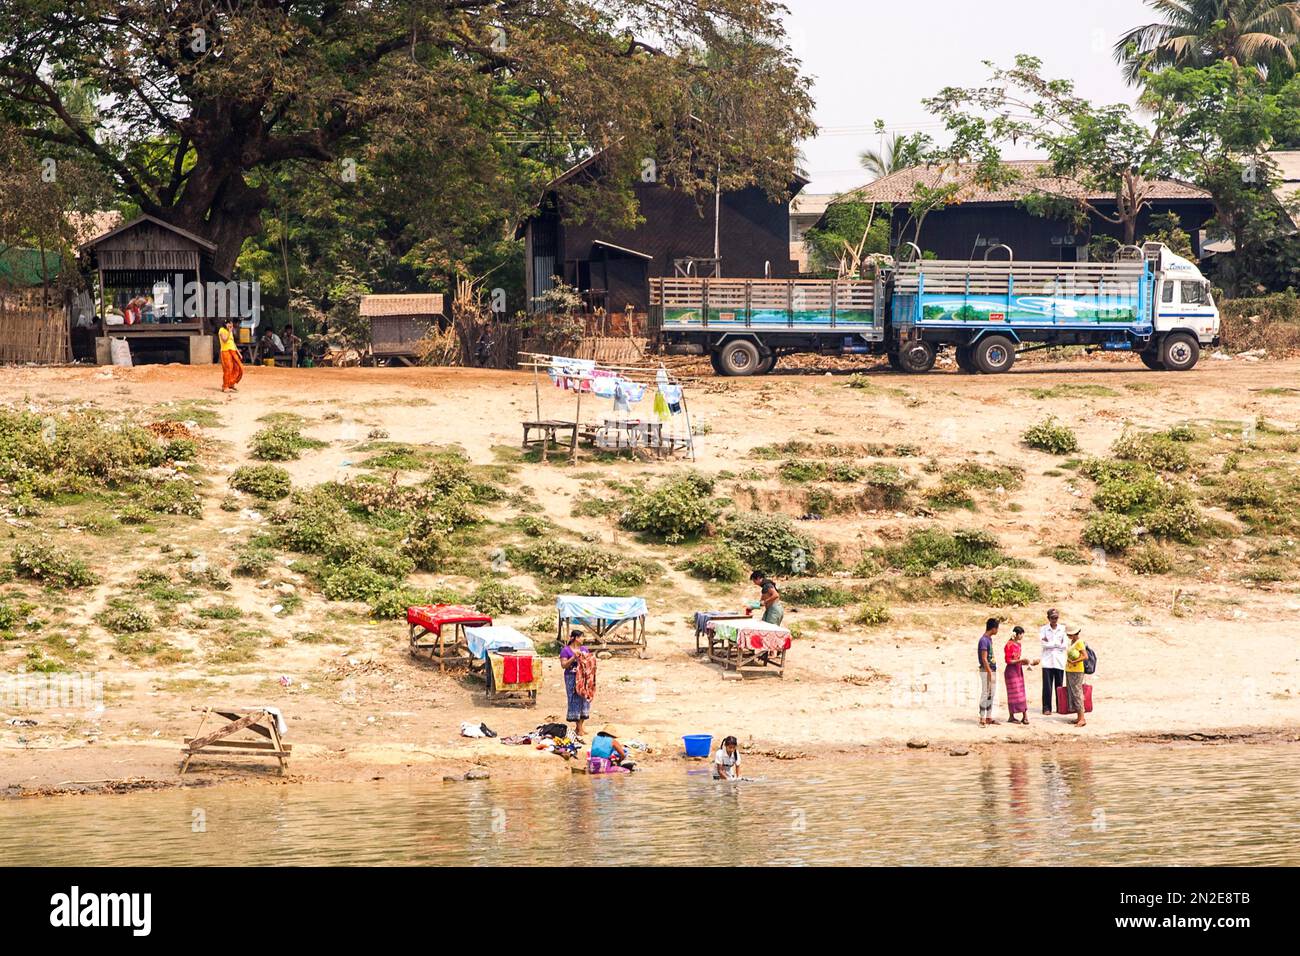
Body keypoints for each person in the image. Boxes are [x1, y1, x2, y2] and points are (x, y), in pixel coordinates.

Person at [560, 630, 593, 739]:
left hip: (583, 678)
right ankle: (579, 727)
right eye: (582, 637)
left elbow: (589, 662)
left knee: (584, 700)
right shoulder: (566, 650)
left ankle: (580, 727)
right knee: (574, 700)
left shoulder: (584, 649)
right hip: (571, 677)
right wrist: (574, 657)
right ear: (575, 638)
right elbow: (564, 665)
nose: (583, 639)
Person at [1004, 625, 1038, 725]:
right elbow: (1008, 661)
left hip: (1017, 671)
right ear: (1017, 634)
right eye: (1021, 634)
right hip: (1011, 672)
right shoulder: (1009, 645)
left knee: (1021, 693)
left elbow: (1018, 661)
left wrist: (1031, 663)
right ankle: (1012, 716)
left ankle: (1024, 716)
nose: (1022, 636)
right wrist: (1022, 660)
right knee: (1014, 694)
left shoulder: (1018, 645)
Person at [1039, 608, 1068, 715]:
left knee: (1059, 686)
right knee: (1047, 686)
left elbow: (1064, 645)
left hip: (1059, 661)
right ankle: (1046, 708)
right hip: (1047, 661)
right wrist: (1056, 643)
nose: (1054, 620)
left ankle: (1060, 707)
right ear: (1048, 618)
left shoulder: (1062, 629)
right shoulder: (1043, 629)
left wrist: (1050, 643)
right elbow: (1043, 644)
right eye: (1052, 618)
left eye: (1056, 618)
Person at [1065, 625, 1088, 728]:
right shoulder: (1073, 642)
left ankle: (1082, 718)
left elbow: (1085, 656)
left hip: (1077, 670)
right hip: (1071, 669)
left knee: (1077, 692)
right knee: (1073, 692)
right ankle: (1079, 717)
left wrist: (1074, 661)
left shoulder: (1079, 643)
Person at [978, 617, 999, 726]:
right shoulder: (984, 640)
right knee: (986, 693)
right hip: (986, 670)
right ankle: (982, 717)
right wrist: (990, 672)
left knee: (992, 693)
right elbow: (984, 658)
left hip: (991, 669)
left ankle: (988, 716)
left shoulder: (989, 639)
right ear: (993, 628)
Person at [218, 319, 244, 393]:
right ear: (225, 324)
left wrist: (239, 353)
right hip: (225, 351)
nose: (231, 326)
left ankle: (231, 384)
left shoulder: (230, 331)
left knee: (238, 367)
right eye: (229, 324)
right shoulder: (221, 330)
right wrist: (229, 332)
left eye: (231, 325)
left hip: (233, 351)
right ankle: (225, 386)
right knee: (228, 368)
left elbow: (233, 342)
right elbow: (225, 340)